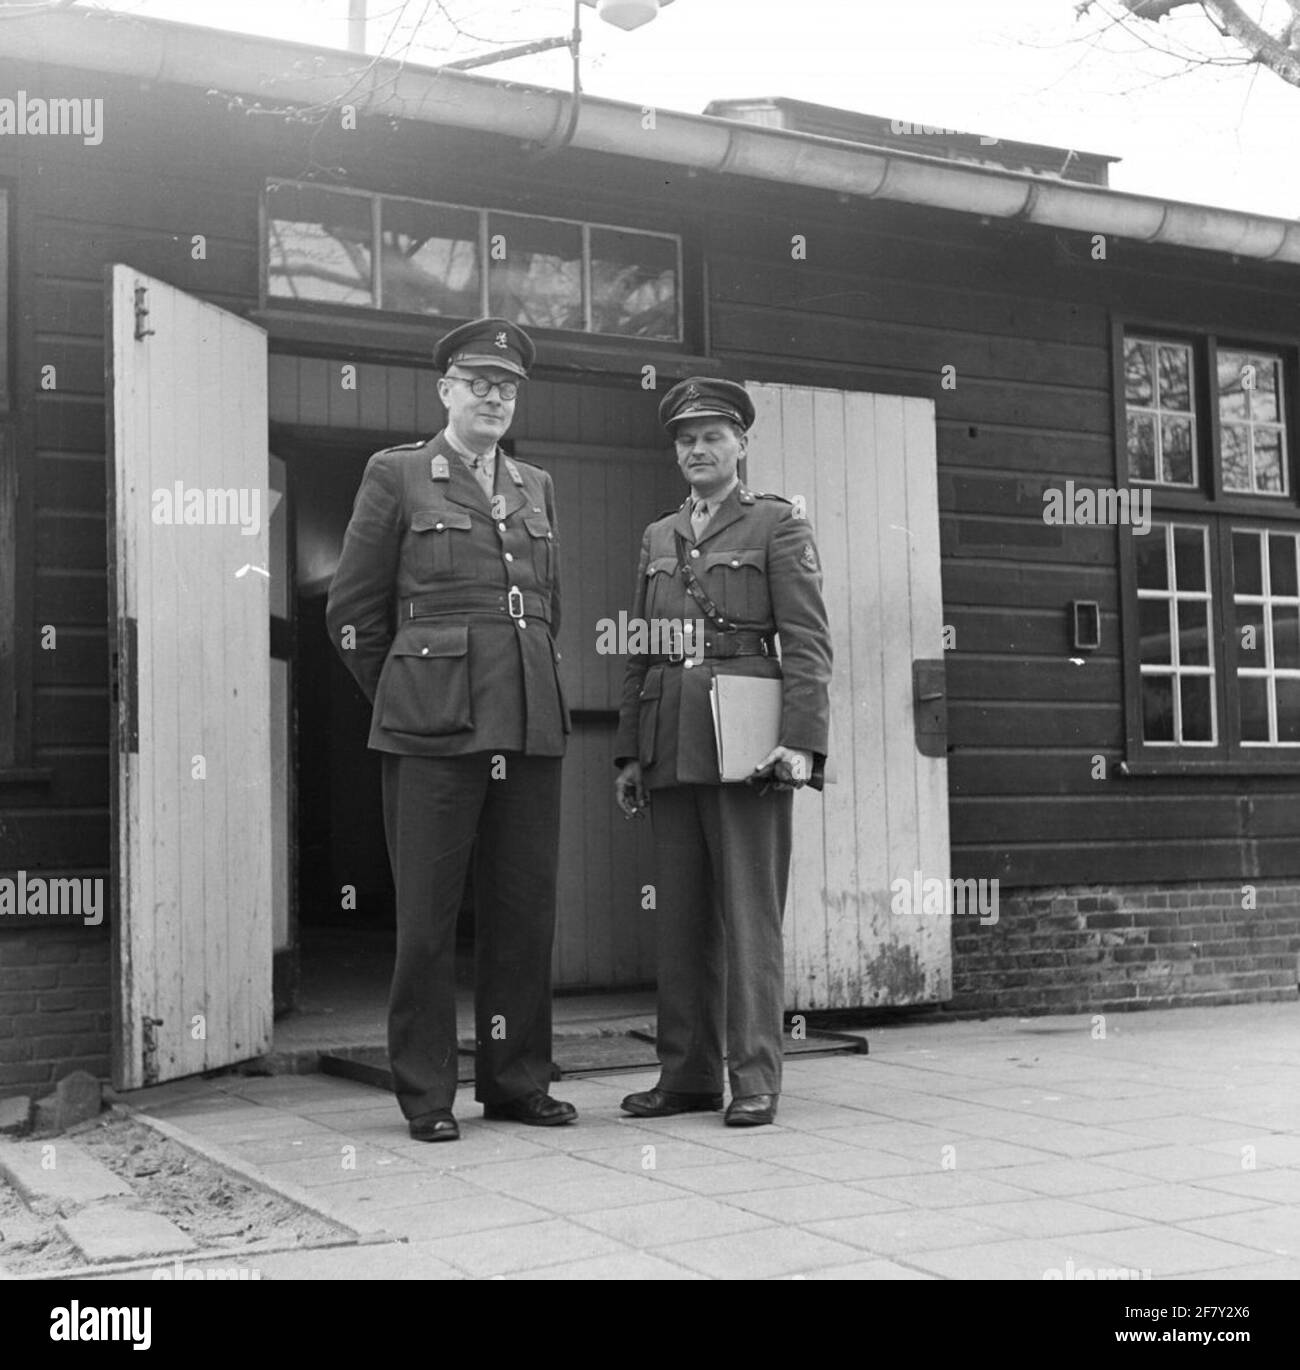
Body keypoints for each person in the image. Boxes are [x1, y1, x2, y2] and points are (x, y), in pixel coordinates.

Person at [326, 317, 575, 1142]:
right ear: (446, 392)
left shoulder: (536, 484)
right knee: (428, 919)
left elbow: (547, 609)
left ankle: (515, 1081)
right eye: (479, 383)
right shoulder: (397, 474)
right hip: (431, 728)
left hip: (529, 721)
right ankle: (427, 1093)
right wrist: (406, 690)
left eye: (506, 387)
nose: (494, 398)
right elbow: (352, 611)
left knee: (523, 912)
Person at [613, 378, 833, 1127]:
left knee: (748, 916)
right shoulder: (657, 537)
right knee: (680, 921)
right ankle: (688, 1077)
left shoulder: (777, 525)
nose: (698, 450)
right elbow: (641, 650)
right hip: (673, 741)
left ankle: (756, 1078)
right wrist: (629, 753)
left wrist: (799, 743)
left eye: (712, 436)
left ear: (741, 443)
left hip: (747, 742)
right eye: (686, 439)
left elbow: (807, 643)